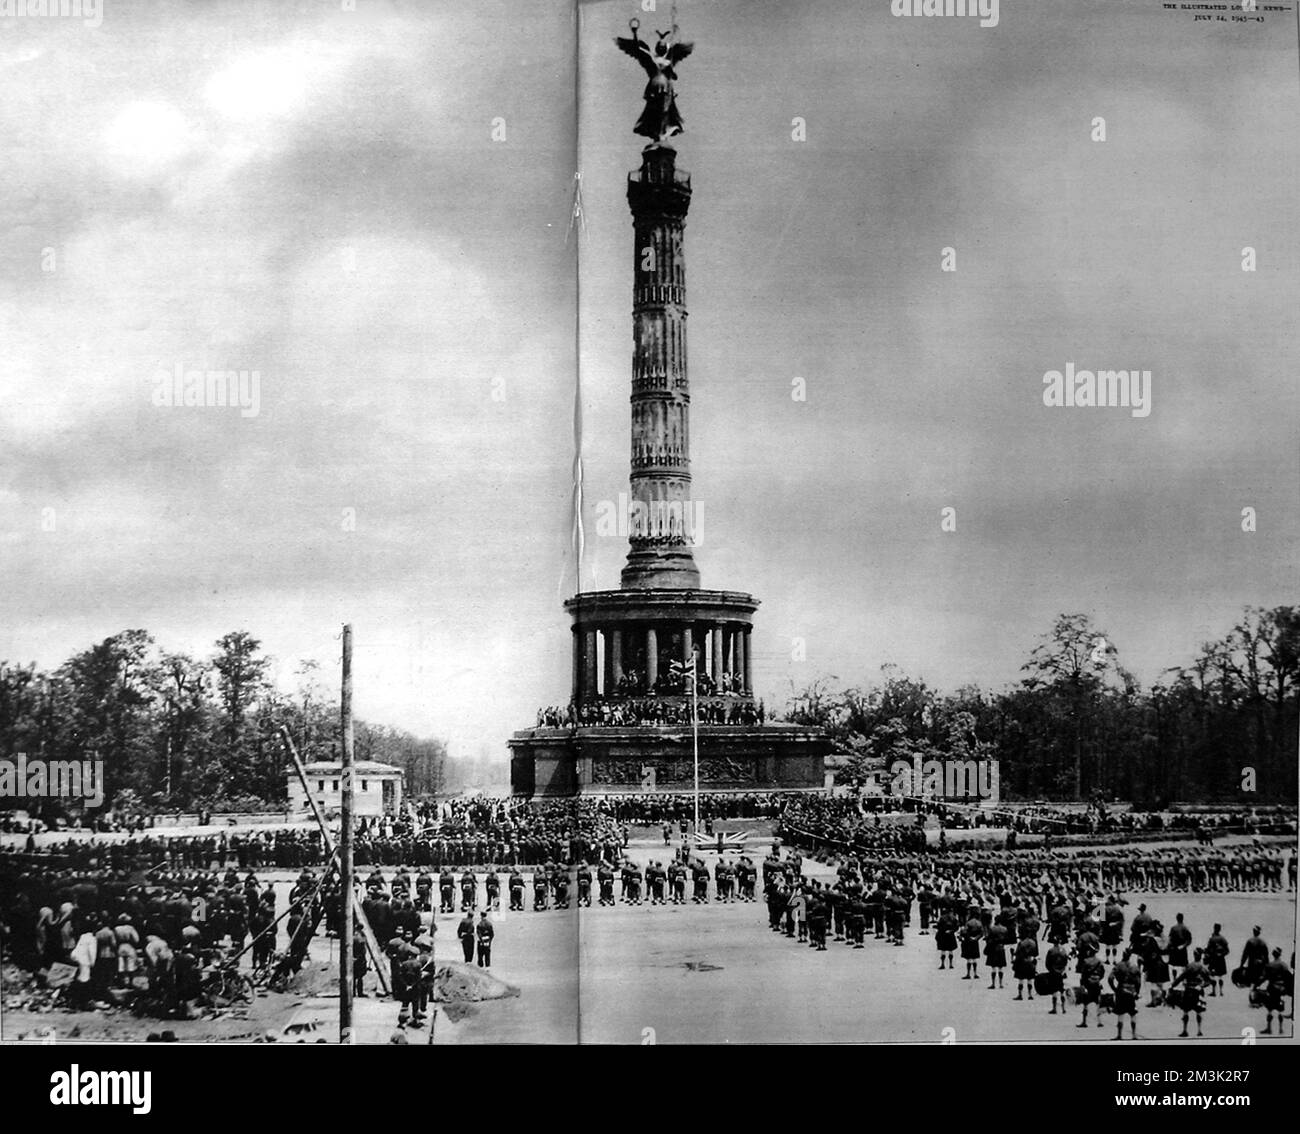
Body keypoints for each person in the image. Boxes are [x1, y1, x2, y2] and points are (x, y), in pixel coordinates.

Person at [1169, 947, 1209, 1038]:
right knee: (1199, 1011)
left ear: (1194, 955)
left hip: (1189, 990)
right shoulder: (1203, 968)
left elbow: (1181, 977)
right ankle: (1199, 1030)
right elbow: (1209, 981)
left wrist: (1173, 985)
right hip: (1199, 991)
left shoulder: (1189, 966)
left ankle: (1185, 1030)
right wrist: (1201, 986)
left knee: (1186, 1011)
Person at [1108, 948, 1142, 1041]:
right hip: (1131, 991)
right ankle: (1134, 1035)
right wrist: (1137, 992)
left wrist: (1114, 989)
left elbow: (1110, 978)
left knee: (1120, 1013)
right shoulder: (1135, 967)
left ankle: (1119, 1035)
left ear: (1123, 955)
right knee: (1132, 1013)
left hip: (1121, 990)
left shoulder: (1118, 966)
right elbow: (1138, 982)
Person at [1260, 948, 1291, 1036]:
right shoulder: (1284, 965)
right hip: (1281, 988)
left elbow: (1264, 977)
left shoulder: (1269, 965)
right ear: (1280, 954)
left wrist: (1256, 985)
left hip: (1272, 988)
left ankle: (1269, 1028)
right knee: (1280, 1008)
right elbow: (1288, 977)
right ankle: (1281, 1029)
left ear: (1273, 954)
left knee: (1270, 1008)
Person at [1076, 950, 1106, 1029]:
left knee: (1085, 1004)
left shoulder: (1086, 961)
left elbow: (1083, 973)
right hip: (1096, 984)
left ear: (1089, 952)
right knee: (1098, 1003)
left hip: (1088, 984)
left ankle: (1084, 1022)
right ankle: (1100, 1022)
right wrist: (1098, 979)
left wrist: (1082, 983)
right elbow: (1102, 972)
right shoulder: (1099, 962)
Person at [1205, 923, 1230, 998]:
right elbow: (1227, 951)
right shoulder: (1223, 939)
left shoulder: (1212, 939)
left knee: (1213, 975)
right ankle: (1221, 991)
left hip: (1214, 959)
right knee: (1220, 976)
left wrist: (1207, 955)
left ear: (1214, 928)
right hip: (1221, 959)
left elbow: (1208, 949)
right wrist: (1222, 954)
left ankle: (1214, 991)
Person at [1013, 932, 1039, 1001]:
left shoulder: (1021, 943)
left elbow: (1017, 953)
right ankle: (1030, 995)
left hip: (1022, 962)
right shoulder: (1033, 943)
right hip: (1030, 962)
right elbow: (1036, 953)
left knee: (1021, 980)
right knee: (1029, 979)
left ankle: (1020, 995)